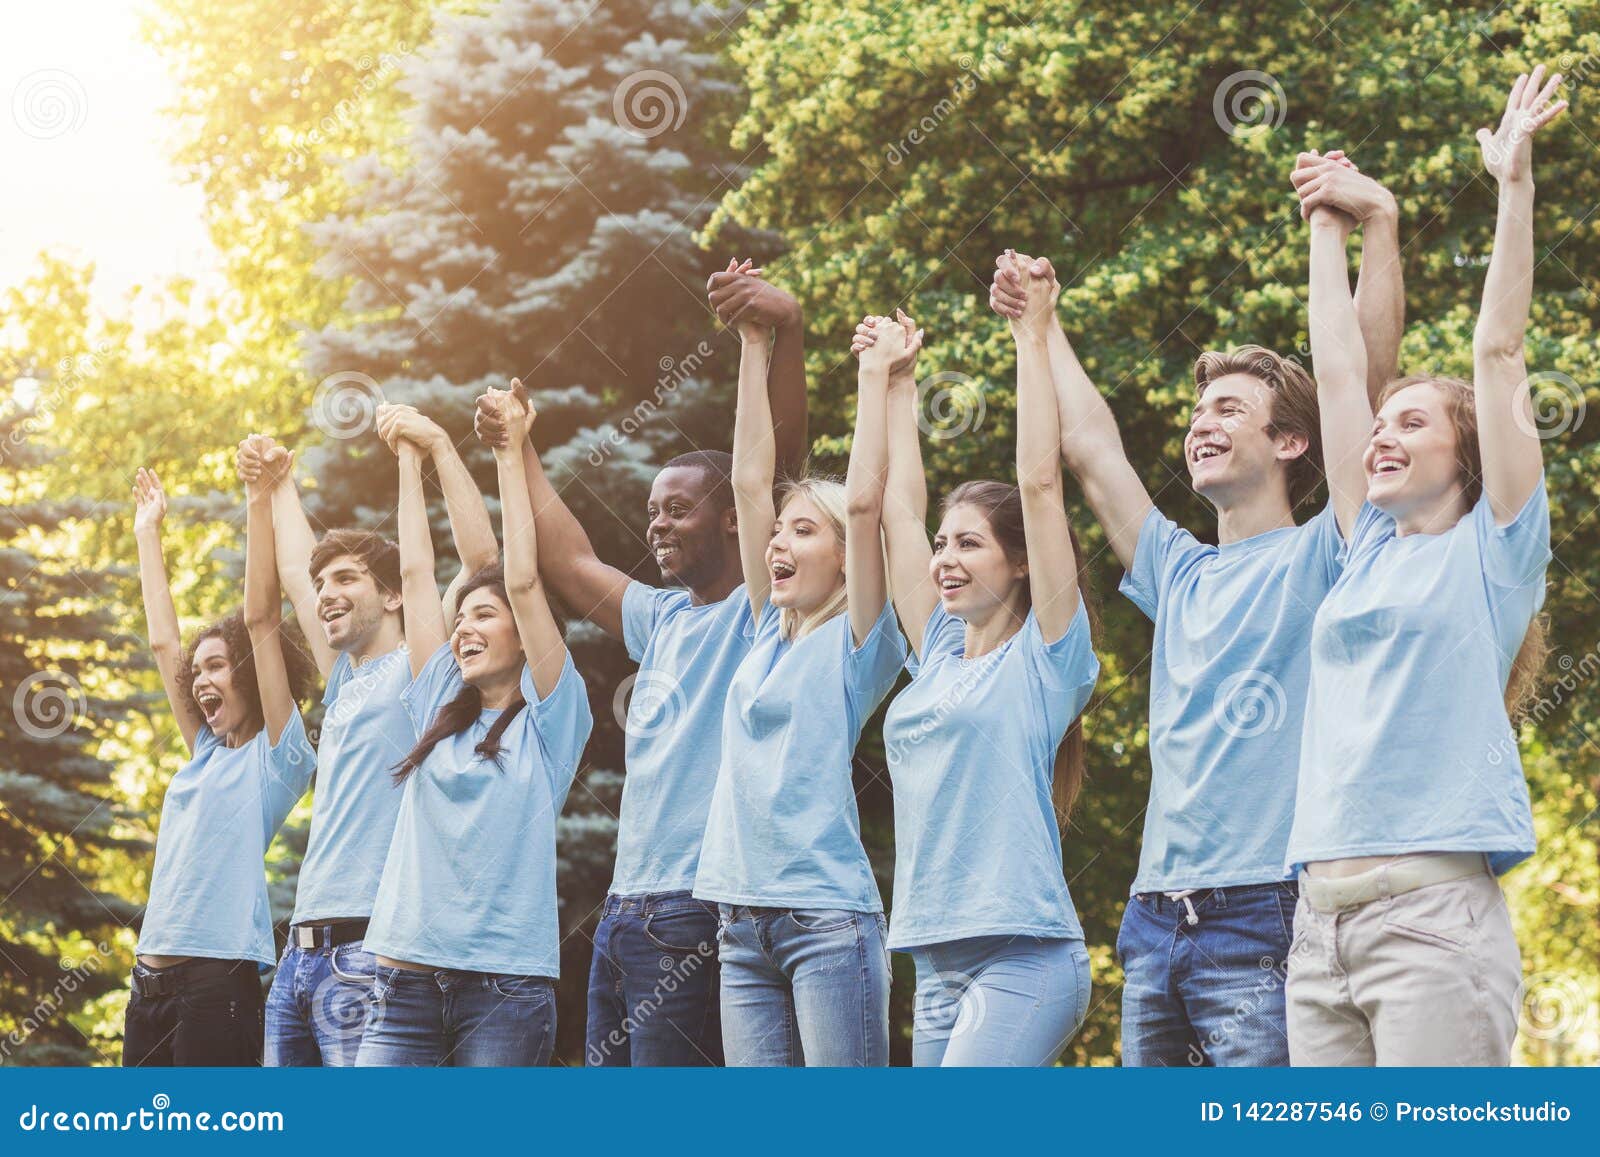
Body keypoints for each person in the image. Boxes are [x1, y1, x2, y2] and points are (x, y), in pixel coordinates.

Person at [990, 153, 1405, 1066]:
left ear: (1291, 441)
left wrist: (1357, 229)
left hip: (1267, 911)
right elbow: (1092, 448)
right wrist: (1044, 324)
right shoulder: (1175, 570)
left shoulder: (1329, 550)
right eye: (1196, 410)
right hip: (1153, 918)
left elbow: (1363, 390)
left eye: (1230, 407)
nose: (1201, 422)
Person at [1285, 70, 1564, 1066]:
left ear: (1467, 454)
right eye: (1382, 423)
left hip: (1432, 919)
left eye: (1414, 422)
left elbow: (1495, 351)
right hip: (1317, 926)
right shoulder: (1362, 547)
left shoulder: (1492, 550)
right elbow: (1333, 367)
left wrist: (1513, 185)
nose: (1383, 434)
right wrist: (1324, 214)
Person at [473, 260, 809, 1066]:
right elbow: (567, 558)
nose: (657, 526)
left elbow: (780, 464)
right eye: (653, 510)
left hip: (695, 912)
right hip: (628, 910)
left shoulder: (760, 614)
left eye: (678, 509)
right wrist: (520, 448)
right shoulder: (659, 619)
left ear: (734, 522)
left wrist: (779, 335)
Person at [859, 255, 1101, 1067]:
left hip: (1023, 955)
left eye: (969, 544)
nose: (945, 559)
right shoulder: (937, 653)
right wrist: (898, 382)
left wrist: (1029, 337)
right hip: (934, 957)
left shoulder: (1047, 660)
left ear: (1022, 561)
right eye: (942, 545)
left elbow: (1040, 483)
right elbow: (898, 507)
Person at [238, 412, 497, 1067]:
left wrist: (418, 455)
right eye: (326, 585)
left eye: (347, 579)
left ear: (389, 599)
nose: (326, 593)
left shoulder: (420, 670)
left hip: (368, 949)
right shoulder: (344, 681)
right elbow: (297, 575)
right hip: (300, 951)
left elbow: (427, 570)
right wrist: (280, 485)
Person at [689, 297, 906, 1068]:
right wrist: (753, 343)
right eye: (779, 532)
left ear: (846, 555)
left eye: (803, 529)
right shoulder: (762, 628)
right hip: (739, 924)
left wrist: (875, 376)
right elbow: (751, 481)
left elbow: (870, 500)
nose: (778, 539)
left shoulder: (861, 642)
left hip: (825, 922)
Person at [354, 391, 592, 1066]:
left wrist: (508, 453)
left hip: (505, 991)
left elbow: (519, 577)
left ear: (526, 632)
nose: (464, 628)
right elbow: (415, 570)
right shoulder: (435, 699)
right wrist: (411, 454)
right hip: (402, 984)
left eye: (484, 616)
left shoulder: (553, 717)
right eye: (462, 620)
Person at [124, 457, 317, 1066]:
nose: (200, 679)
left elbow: (261, 618)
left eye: (216, 666)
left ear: (251, 675)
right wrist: (147, 533)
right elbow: (162, 643)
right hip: (146, 986)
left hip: (214, 989)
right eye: (197, 669)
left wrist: (258, 500)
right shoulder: (204, 753)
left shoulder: (278, 757)